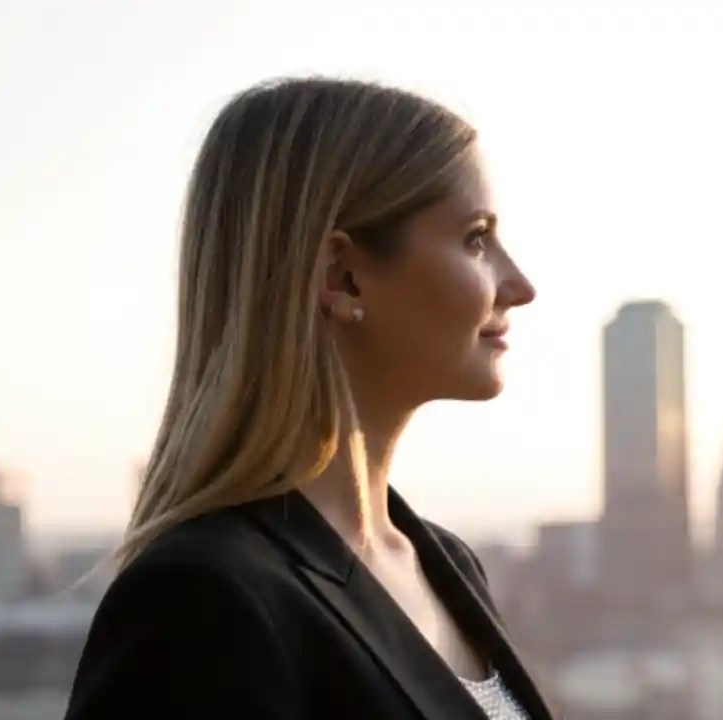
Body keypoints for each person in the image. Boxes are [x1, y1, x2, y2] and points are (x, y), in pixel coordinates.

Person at [64, 77, 551, 720]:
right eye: (475, 239)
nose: (520, 285)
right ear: (341, 276)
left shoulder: (447, 563)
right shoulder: (203, 602)